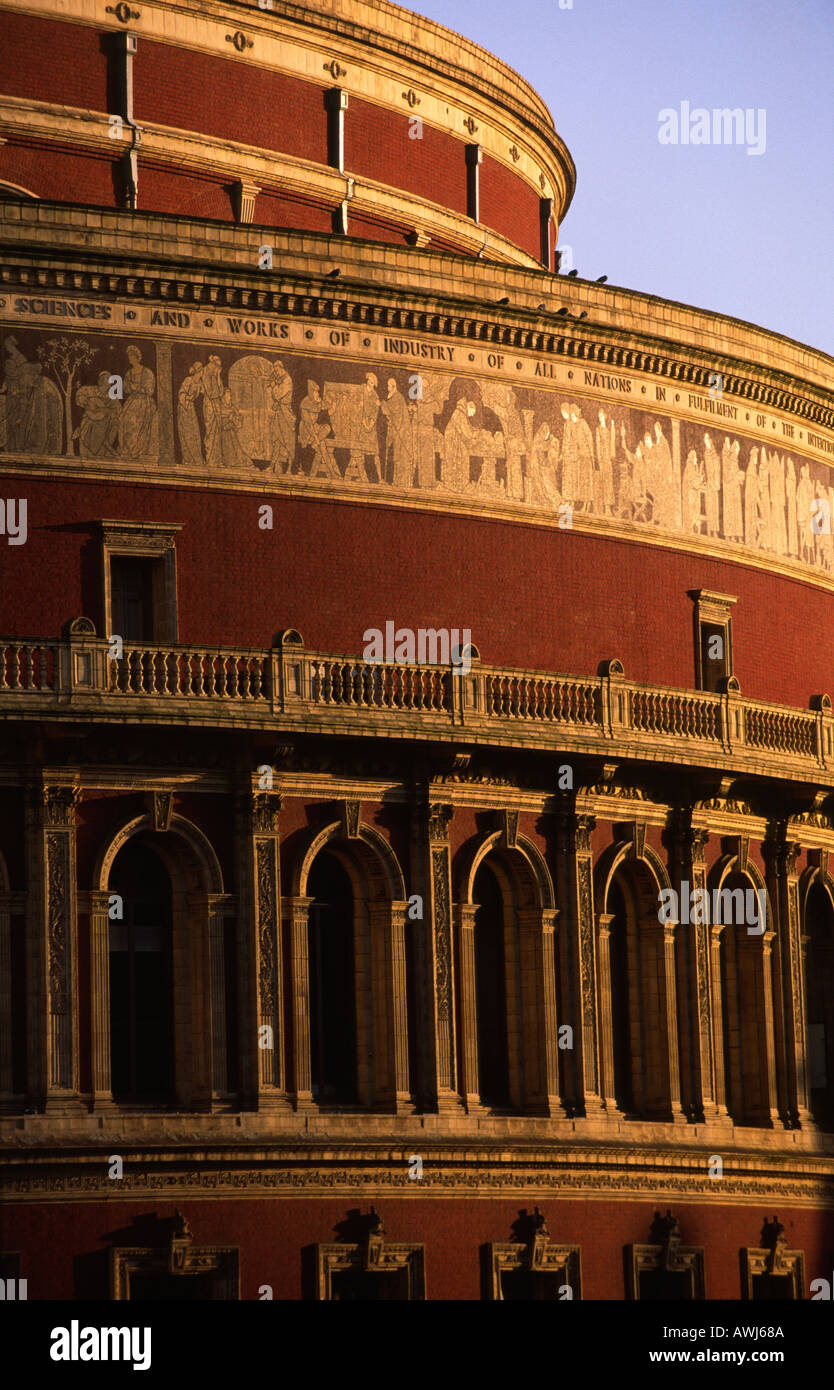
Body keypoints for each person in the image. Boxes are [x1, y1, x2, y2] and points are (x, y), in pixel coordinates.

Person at [119, 345, 159, 460]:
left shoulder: (147, 372)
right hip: (132, 400)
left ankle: (137, 451)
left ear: (137, 357)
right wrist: (129, 387)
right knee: (124, 419)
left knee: (138, 423)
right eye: (129, 356)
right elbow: (125, 388)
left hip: (144, 402)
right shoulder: (129, 373)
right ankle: (127, 449)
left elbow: (150, 390)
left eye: (131, 356)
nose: (130, 359)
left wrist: (136, 387)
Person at [74, 371, 121, 459]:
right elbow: (80, 397)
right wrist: (88, 403)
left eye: (108, 379)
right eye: (104, 379)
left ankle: (106, 444)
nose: (106, 381)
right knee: (92, 424)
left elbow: (117, 410)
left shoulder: (112, 397)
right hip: (90, 419)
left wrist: (105, 410)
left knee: (115, 422)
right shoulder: (90, 390)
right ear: (99, 381)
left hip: (105, 422)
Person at [380, 377, 414, 488]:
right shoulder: (394, 397)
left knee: (398, 456)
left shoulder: (397, 397)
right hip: (395, 429)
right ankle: (394, 480)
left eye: (389, 386)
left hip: (400, 430)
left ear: (393, 387)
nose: (387, 388)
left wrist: (382, 404)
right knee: (395, 456)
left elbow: (391, 412)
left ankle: (398, 481)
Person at [268, 359, 295, 473]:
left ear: (282, 368)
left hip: (286, 414)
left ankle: (289, 468)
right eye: (275, 370)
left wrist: (274, 386)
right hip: (279, 413)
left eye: (277, 370)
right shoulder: (282, 380)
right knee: (277, 439)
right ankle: (272, 465)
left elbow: (278, 395)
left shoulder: (287, 380)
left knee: (288, 440)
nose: (276, 373)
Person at [177, 362, 204, 467]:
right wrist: (188, 397)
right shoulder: (188, 380)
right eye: (202, 370)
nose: (203, 372)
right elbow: (181, 394)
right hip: (184, 408)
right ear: (199, 371)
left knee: (195, 433)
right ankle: (188, 459)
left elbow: (206, 393)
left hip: (191, 408)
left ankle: (197, 458)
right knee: (187, 433)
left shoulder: (200, 382)